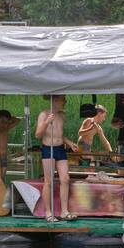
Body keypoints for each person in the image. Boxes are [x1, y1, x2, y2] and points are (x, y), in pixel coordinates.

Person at [35, 94, 80, 222]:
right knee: (48, 182)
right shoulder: (44, 114)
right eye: (63, 99)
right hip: (48, 149)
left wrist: (70, 143)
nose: (65, 101)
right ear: (55, 100)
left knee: (65, 179)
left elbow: (60, 133)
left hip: (60, 149)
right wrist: (46, 123)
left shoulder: (62, 115)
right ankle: (48, 213)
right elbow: (38, 134)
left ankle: (64, 212)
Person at [0, 108, 20, 187]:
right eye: (2, 122)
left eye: (6, 122)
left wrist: (8, 120)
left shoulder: (6, 128)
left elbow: (17, 120)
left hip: (3, 157)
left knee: (1, 179)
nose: (4, 124)